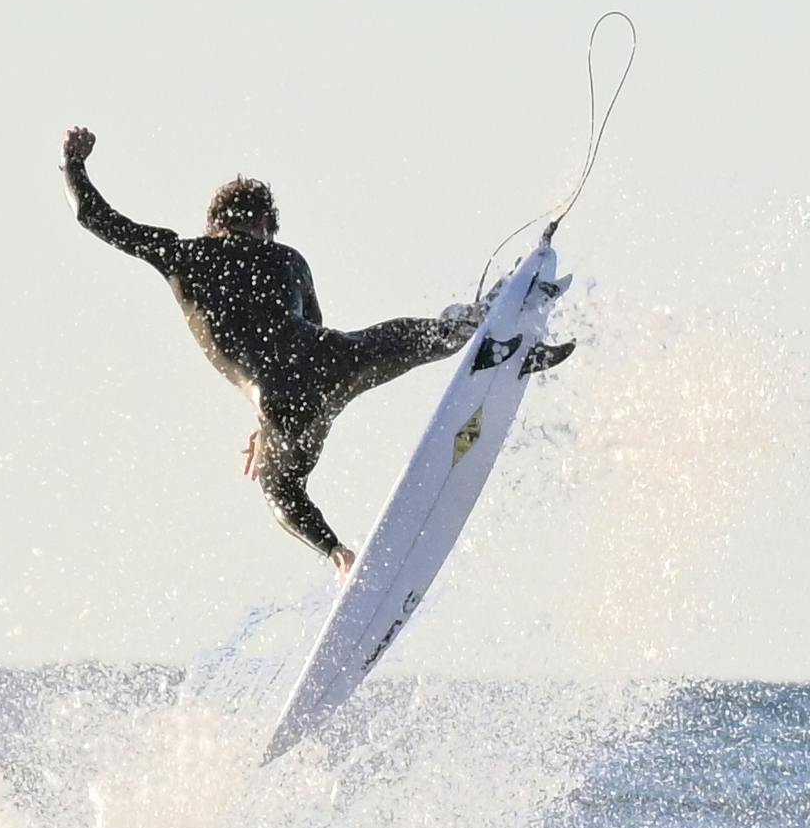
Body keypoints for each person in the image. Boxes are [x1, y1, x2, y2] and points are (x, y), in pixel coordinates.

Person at [62, 128, 491, 567]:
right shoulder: (289, 259)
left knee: (277, 484)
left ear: (214, 223)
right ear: (265, 224)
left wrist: (74, 164)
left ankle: (338, 554)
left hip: (280, 401)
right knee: (402, 342)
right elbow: (309, 333)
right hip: (333, 360)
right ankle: (469, 325)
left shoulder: (184, 257)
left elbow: (95, 218)